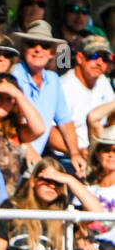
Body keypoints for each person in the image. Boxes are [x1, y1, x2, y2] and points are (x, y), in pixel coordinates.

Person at [11, 20, 82, 169]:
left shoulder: (53, 79)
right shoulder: (13, 73)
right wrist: (27, 148)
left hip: (36, 159)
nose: (38, 49)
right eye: (32, 44)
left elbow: (65, 122)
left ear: (51, 52)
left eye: (44, 45)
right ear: (23, 48)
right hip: (13, 152)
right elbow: (9, 121)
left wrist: (75, 154)